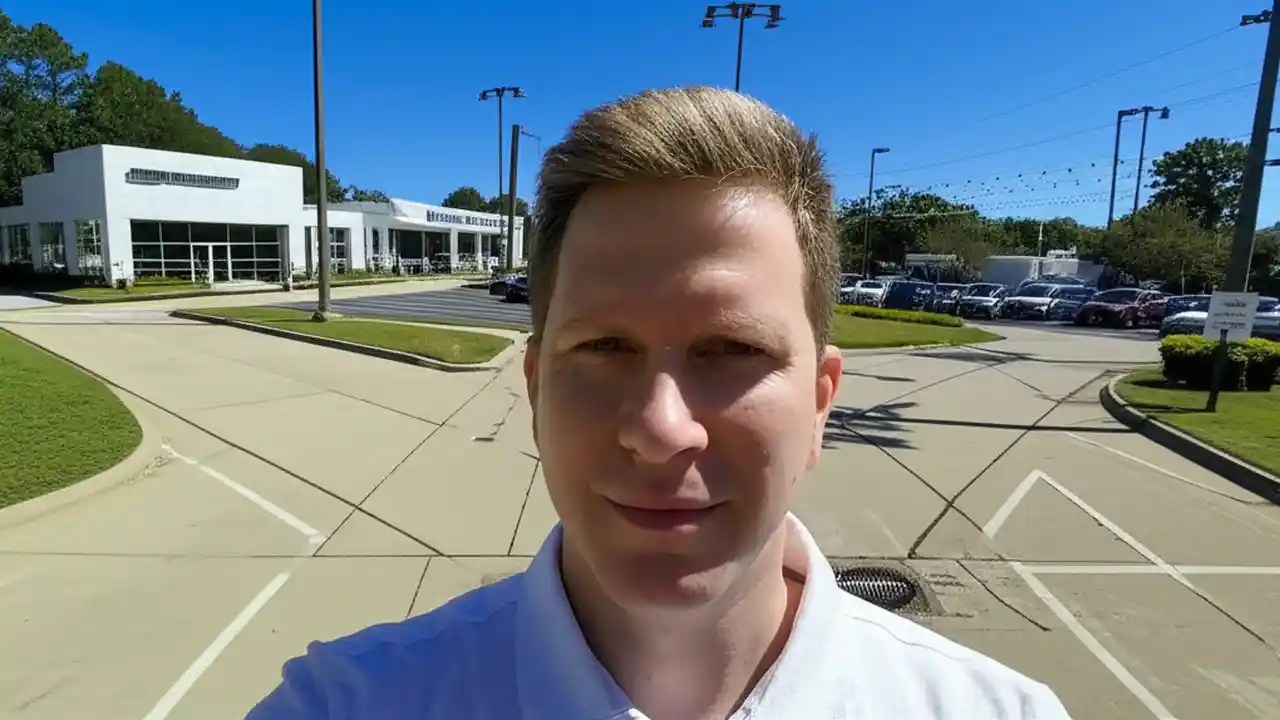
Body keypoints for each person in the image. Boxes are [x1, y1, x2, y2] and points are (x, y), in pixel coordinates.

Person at [248, 86, 1072, 720]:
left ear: (821, 405)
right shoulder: (348, 704)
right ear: (535, 389)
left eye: (733, 350)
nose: (660, 428)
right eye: (603, 348)